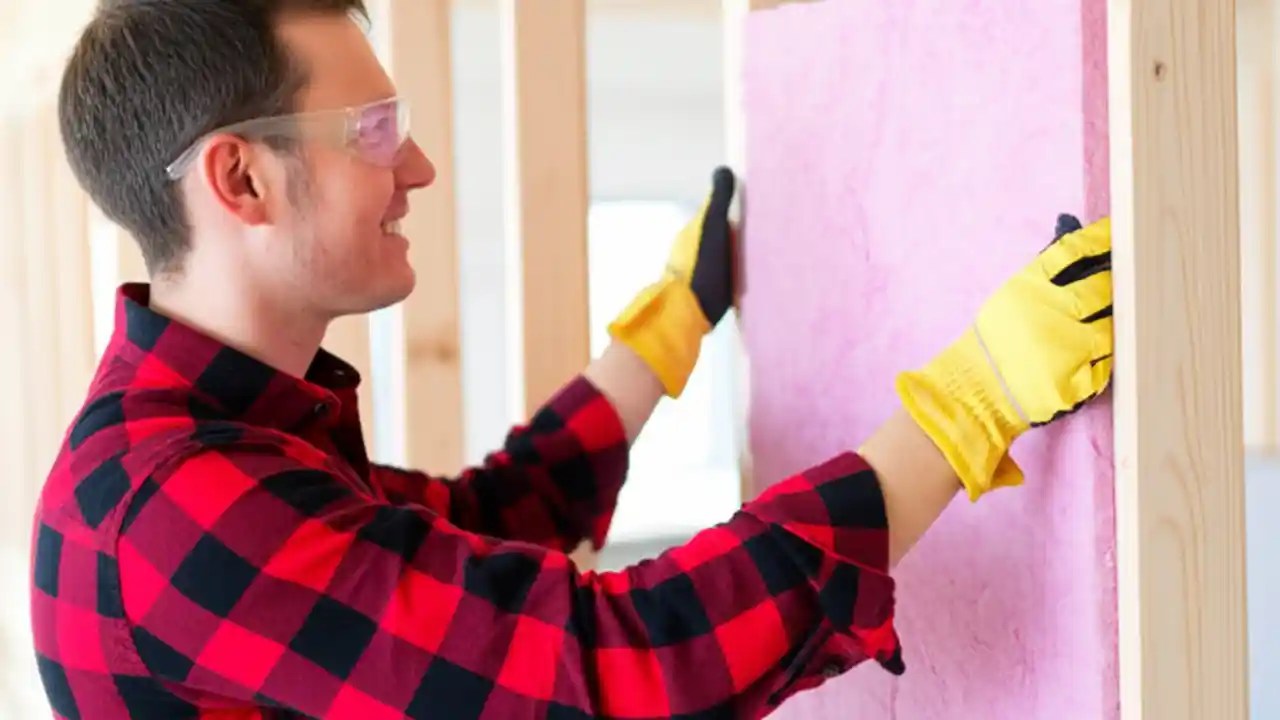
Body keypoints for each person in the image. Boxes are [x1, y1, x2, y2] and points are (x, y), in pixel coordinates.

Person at [30, 1, 1113, 718]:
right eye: (370, 129)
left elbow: (481, 524)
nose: (415, 164)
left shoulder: (206, 441)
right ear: (241, 182)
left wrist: (657, 341)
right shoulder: (177, 502)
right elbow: (615, 665)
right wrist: (961, 409)